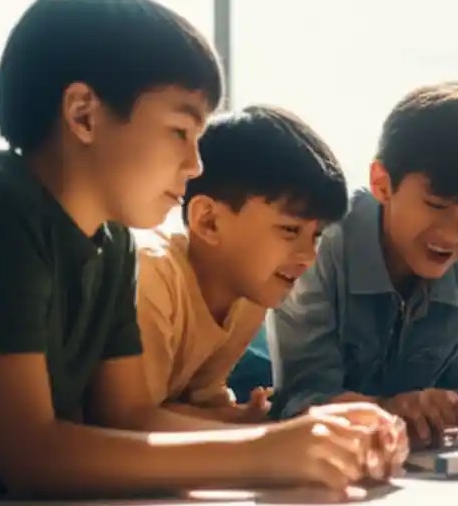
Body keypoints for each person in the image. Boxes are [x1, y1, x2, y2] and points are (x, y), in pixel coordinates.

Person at [0, 0, 405, 506]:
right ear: (83, 114)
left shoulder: (114, 241)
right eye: (181, 131)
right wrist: (265, 451)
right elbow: (32, 454)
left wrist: (310, 435)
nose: (195, 163)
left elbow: (127, 416)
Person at [271, 82, 458, 448]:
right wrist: (390, 409)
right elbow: (299, 401)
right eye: (436, 206)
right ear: (382, 184)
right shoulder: (320, 246)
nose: (453, 235)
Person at [135, 105, 348, 423]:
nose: (309, 256)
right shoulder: (153, 276)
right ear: (208, 221)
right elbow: (133, 420)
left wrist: (247, 416)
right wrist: (263, 436)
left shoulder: (250, 297)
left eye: (316, 236)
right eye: (290, 230)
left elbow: (201, 402)